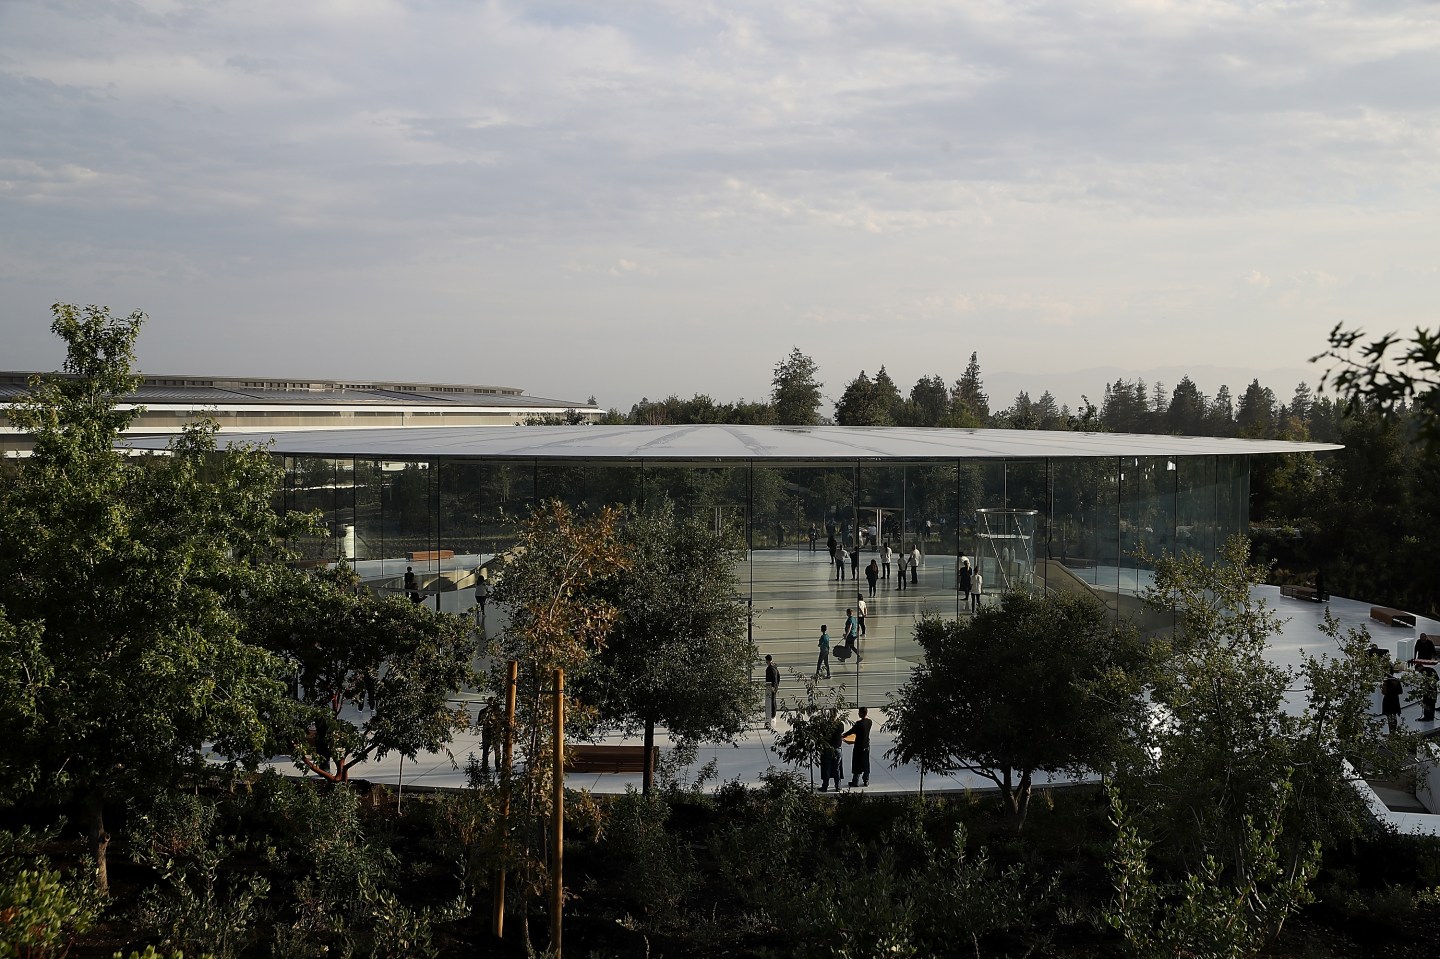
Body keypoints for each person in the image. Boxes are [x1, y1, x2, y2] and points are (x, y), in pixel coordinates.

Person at [846, 706, 874, 788]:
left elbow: (851, 731)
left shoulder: (859, 724)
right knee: (866, 764)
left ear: (862, 713)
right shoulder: (869, 722)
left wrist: (843, 735)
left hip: (858, 746)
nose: (858, 713)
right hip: (866, 745)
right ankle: (866, 780)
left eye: (859, 712)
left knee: (857, 763)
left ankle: (855, 781)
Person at [475, 695, 503, 772]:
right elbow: (479, 723)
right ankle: (484, 767)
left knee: (497, 750)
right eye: (490, 702)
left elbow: (502, 722)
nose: (491, 704)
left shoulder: (499, 712)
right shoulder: (483, 711)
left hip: (496, 733)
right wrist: (484, 718)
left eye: (493, 702)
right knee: (485, 750)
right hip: (486, 732)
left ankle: (498, 766)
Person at [819, 711, 845, 791]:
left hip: (827, 749)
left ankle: (825, 786)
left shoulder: (825, 725)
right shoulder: (840, 725)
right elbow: (842, 731)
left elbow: (822, 733)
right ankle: (838, 786)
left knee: (827, 768)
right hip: (837, 749)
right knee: (836, 768)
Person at [1382, 669, 1404, 734]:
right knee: (1394, 716)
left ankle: (1391, 732)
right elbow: (1401, 691)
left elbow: (1384, 692)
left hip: (1388, 700)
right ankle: (1394, 731)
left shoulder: (1386, 681)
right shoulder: (1396, 680)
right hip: (1395, 700)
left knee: (1389, 717)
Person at [765, 654, 781, 729]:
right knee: (772, 701)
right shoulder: (774, 666)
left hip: (771, 687)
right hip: (772, 686)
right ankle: (772, 715)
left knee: (772, 701)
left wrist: (773, 687)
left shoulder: (771, 668)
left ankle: (773, 715)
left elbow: (775, 678)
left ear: (768, 660)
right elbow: (778, 677)